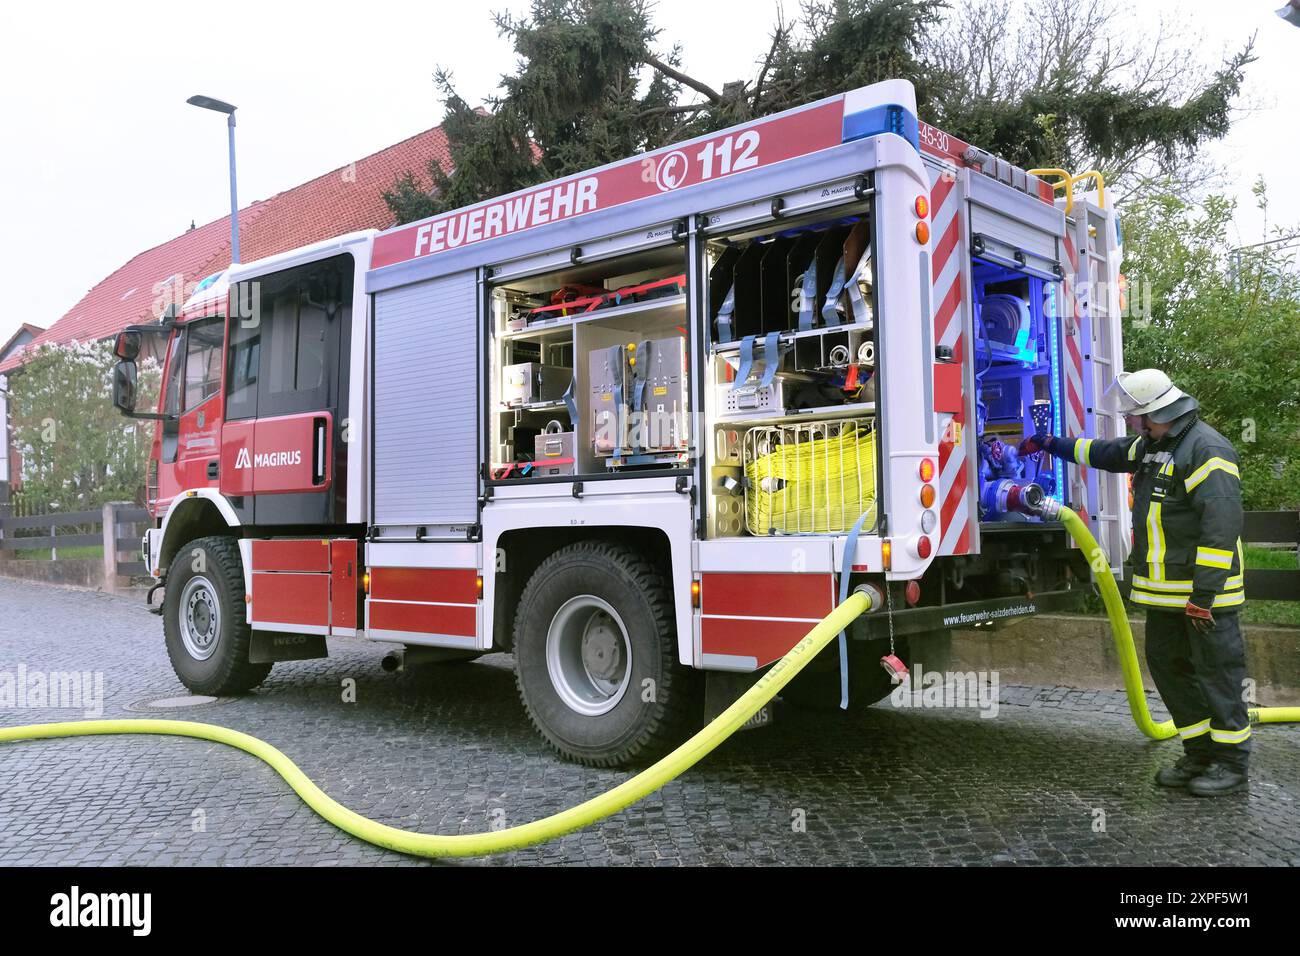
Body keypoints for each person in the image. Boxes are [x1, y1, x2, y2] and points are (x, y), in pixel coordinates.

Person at [1020, 369, 1251, 796]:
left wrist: (1204, 596)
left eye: (1133, 416)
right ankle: (1199, 754)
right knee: (1170, 669)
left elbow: (1220, 528)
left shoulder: (1206, 449)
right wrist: (1050, 444)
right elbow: (1104, 453)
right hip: (1165, 594)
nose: (1129, 423)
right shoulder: (1153, 446)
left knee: (1217, 675)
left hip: (1204, 599)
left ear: (1154, 414)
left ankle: (1232, 764)